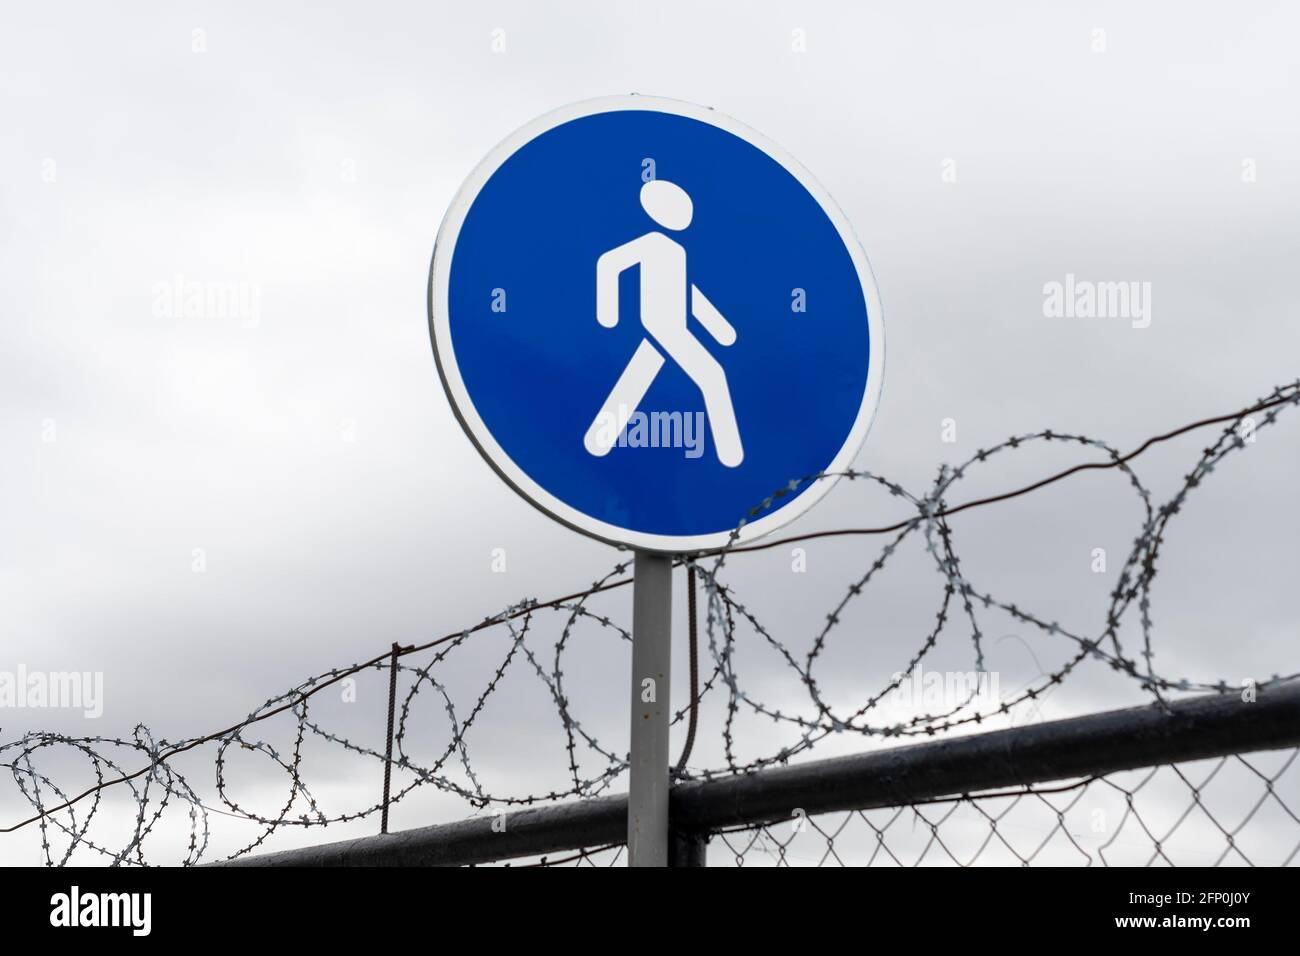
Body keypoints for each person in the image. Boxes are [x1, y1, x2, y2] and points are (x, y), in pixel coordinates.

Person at [583, 179, 745, 467]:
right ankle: (732, 454)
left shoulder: (676, 250)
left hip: (672, 325)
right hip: (660, 324)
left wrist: (720, 328)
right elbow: (609, 264)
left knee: (638, 376)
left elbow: (688, 293)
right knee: (713, 375)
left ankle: (598, 440)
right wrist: (608, 314)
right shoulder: (652, 243)